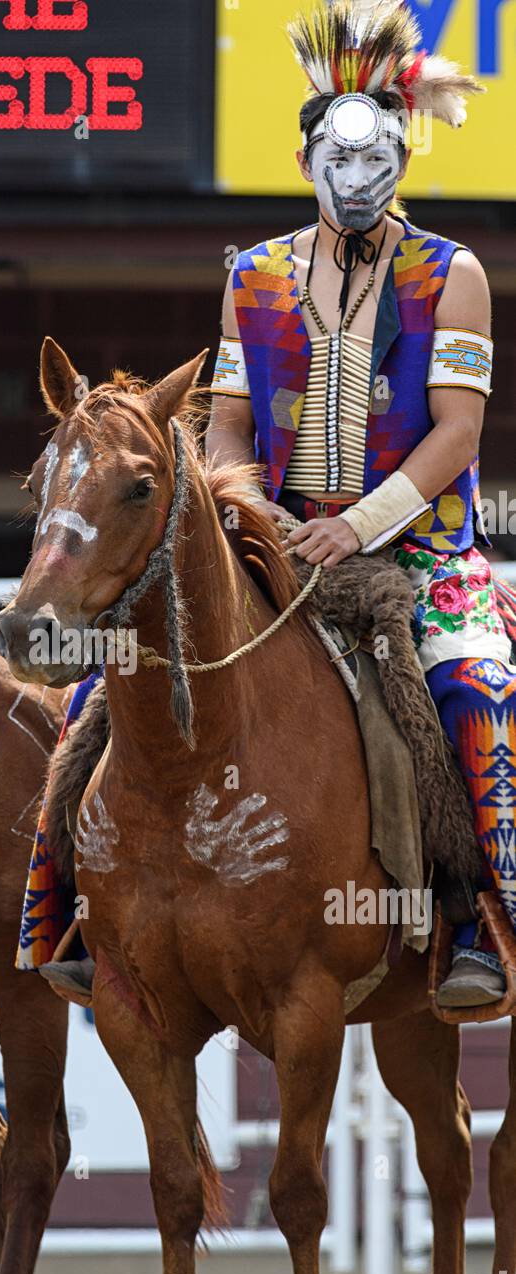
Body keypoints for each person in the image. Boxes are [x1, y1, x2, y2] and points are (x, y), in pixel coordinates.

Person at [208, 0, 510, 1007]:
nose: (353, 181)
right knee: (102, 689)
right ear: (303, 165)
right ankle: (68, 901)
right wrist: (257, 516)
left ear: (399, 160)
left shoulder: (450, 273)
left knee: (470, 688)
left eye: (374, 159)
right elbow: (222, 436)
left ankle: (477, 923)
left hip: (421, 554)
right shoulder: (248, 277)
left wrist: (354, 525)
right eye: (335, 163)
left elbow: (456, 435)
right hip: (279, 547)